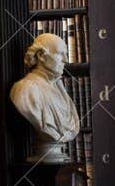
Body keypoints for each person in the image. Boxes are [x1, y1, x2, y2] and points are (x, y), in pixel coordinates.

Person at [9, 31, 80, 163]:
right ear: (41, 55)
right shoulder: (25, 89)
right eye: (60, 54)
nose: (65, 59)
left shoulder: (60, 89)